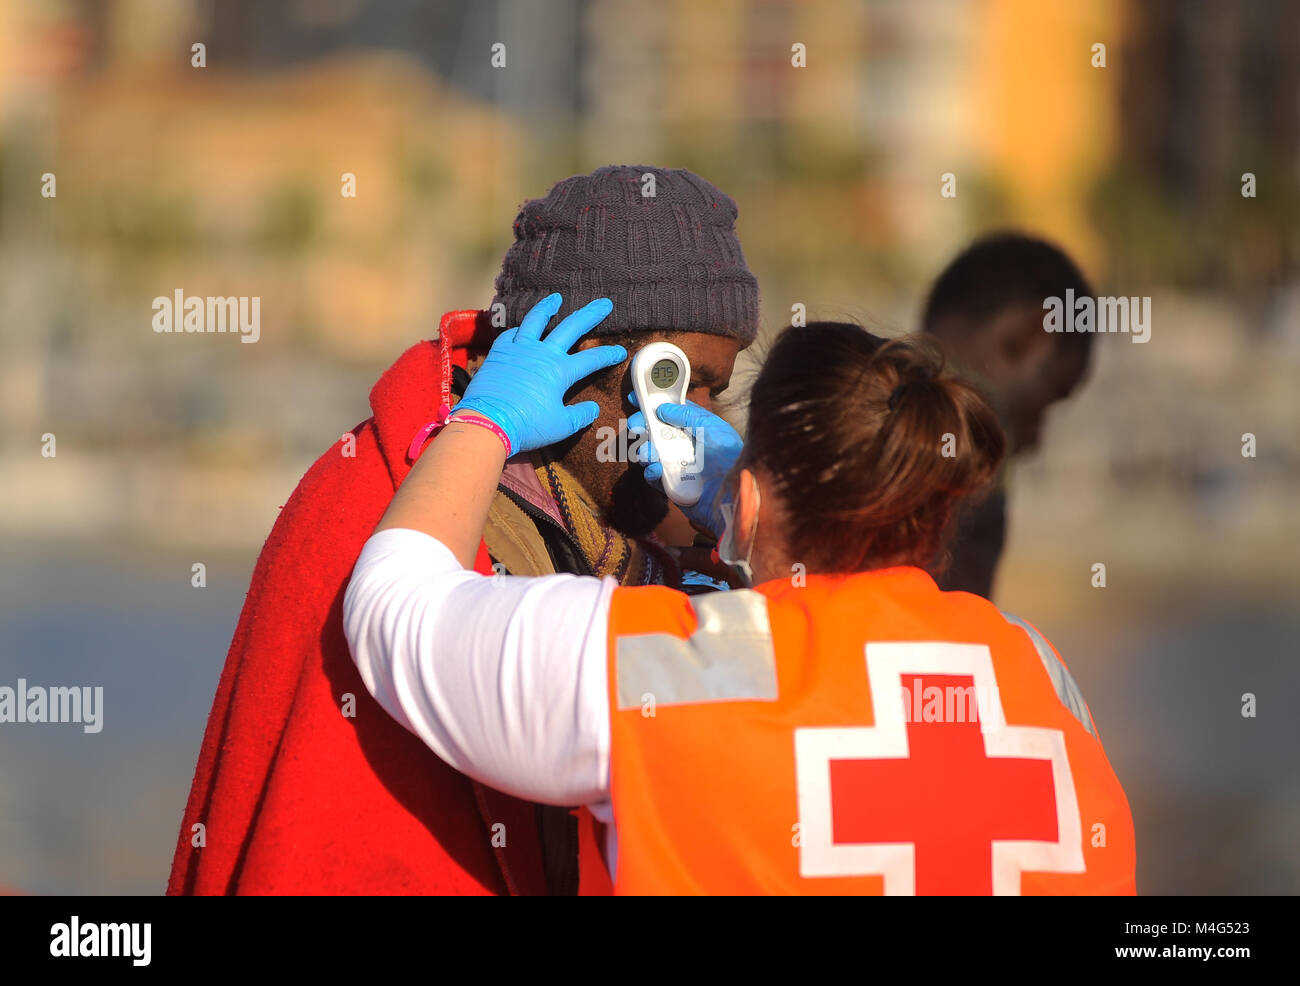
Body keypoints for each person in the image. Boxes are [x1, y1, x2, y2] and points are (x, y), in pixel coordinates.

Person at [343, 296, 1137, 895]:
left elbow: (390, 606)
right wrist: (743, 516)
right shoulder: (1042, 675)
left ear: (749, 502)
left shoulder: (664, 667)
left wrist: (484, 419)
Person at [168, 165, 759, 896]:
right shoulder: (377, 497)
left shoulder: (654, 541)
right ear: (577, 361)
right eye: (683, 384)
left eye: (719, 391)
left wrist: (732, 536)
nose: (702, 420)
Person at [921, 232, 1096, 599]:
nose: (1035, 441)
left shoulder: (850, 411)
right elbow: (959, 638)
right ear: (1027, 337)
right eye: (1046, 402)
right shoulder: (972, 440)